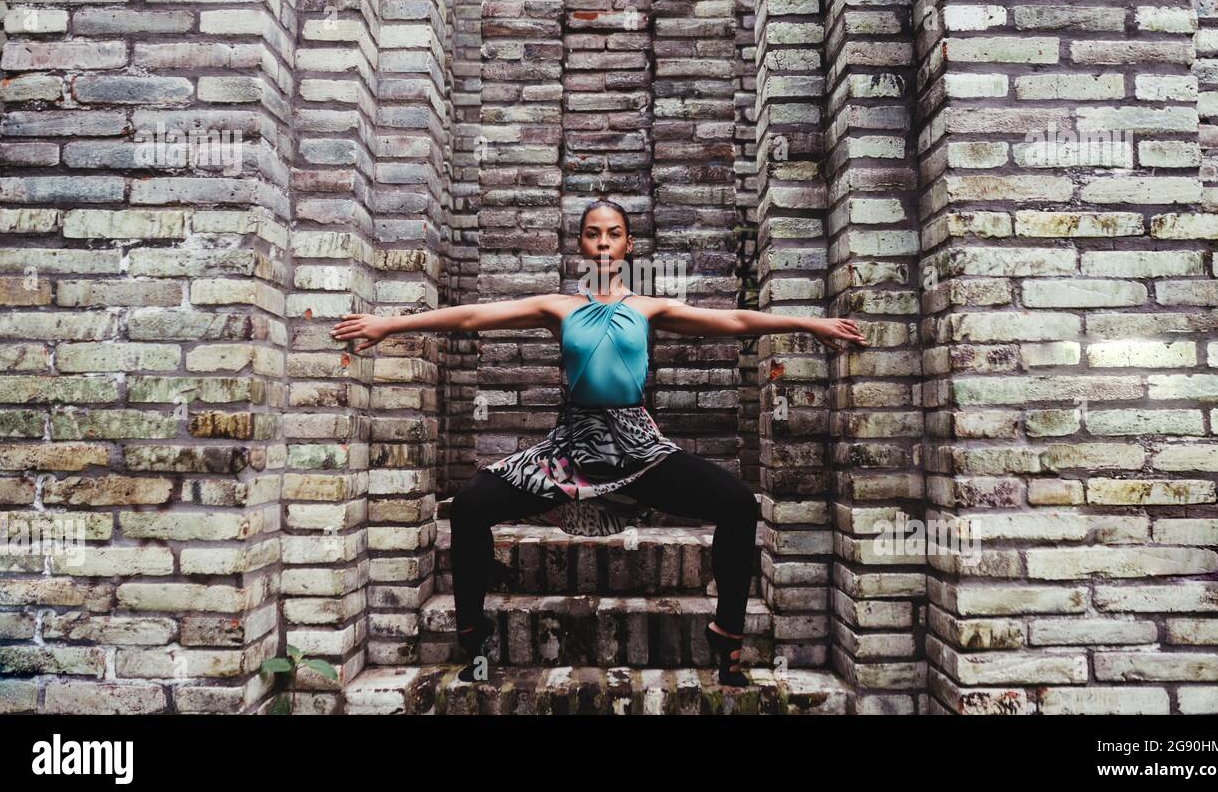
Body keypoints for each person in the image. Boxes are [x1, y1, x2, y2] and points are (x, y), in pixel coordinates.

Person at [331, 199, 868, 686]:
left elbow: (733, 320)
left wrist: (809, 323)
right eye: (593, 234)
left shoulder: (648, 308)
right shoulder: (558, 307)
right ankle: (474, 643)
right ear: (581, 245)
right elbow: (472, 317)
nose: (605, 243)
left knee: (736, 504)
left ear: (628, 244)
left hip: (637, 447)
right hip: (571, 449)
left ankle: (726, 642)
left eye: (614, 234)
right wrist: (387, 325)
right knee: (470, 507)